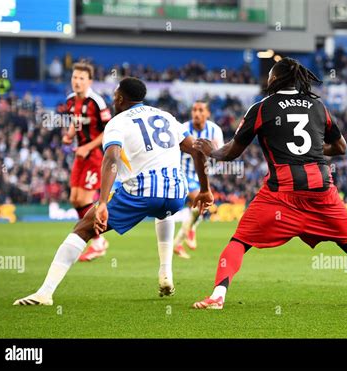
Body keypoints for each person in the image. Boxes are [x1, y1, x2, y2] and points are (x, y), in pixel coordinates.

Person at [192, 57, 347, 310]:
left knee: (239, 242)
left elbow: (231, 153)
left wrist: (211, 150)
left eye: (270, 75)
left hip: (281, 194)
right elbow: (340, 147)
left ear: (276, 79)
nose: (267, 79)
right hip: (321, 191)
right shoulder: (317, 105)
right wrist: (312, 150)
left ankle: (218, 296)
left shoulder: (261, 108)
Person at [13, 77, 213, 305]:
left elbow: (111, 159)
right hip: (177, 194)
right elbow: (198, 149)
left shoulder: (117, 123)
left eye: (116, 93)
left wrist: (102, 203)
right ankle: (165, 273)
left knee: (83, 228)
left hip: (143, 193)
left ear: (119, 98)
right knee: (164, 211)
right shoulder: (165, 116)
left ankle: (45, 293)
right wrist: (205, 189)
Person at [62, 61, 112, 261]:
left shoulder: (96, 102)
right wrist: (69, 134)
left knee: (83, 199)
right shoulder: (70, 101)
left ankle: (98, 242)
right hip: (80, 154)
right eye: (74, 77)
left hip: (95, 155)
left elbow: (108, 130)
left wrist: (87, 147)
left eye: (81, 78)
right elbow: (75, 122)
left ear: (89, 81)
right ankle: (98, 242)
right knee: (74, 198)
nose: (77, 81)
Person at [173, 101, 224, 259]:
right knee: (201, 202)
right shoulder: (182, 128)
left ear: (208, 113)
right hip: (182, 173)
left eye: (201, 110)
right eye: (194, 110)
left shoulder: (214, 129)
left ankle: (179, 242)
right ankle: (189, 232)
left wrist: (214, 150)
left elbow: (220, 154)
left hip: (200, 174)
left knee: (201, 206)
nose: (197, 113)